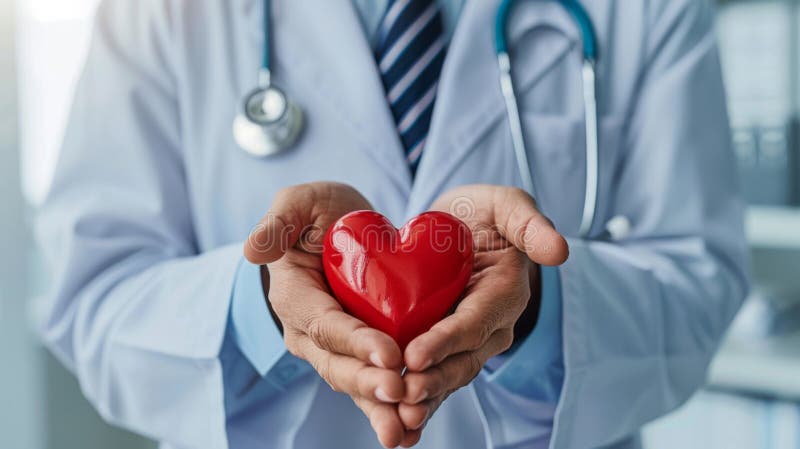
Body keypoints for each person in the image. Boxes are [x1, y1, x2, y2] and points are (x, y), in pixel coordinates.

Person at [36, 0, 750, 448]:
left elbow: (699, 286)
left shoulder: (652, 10)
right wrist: (261, 301)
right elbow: (94, 296)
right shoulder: (158, 12)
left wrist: (533, 306)